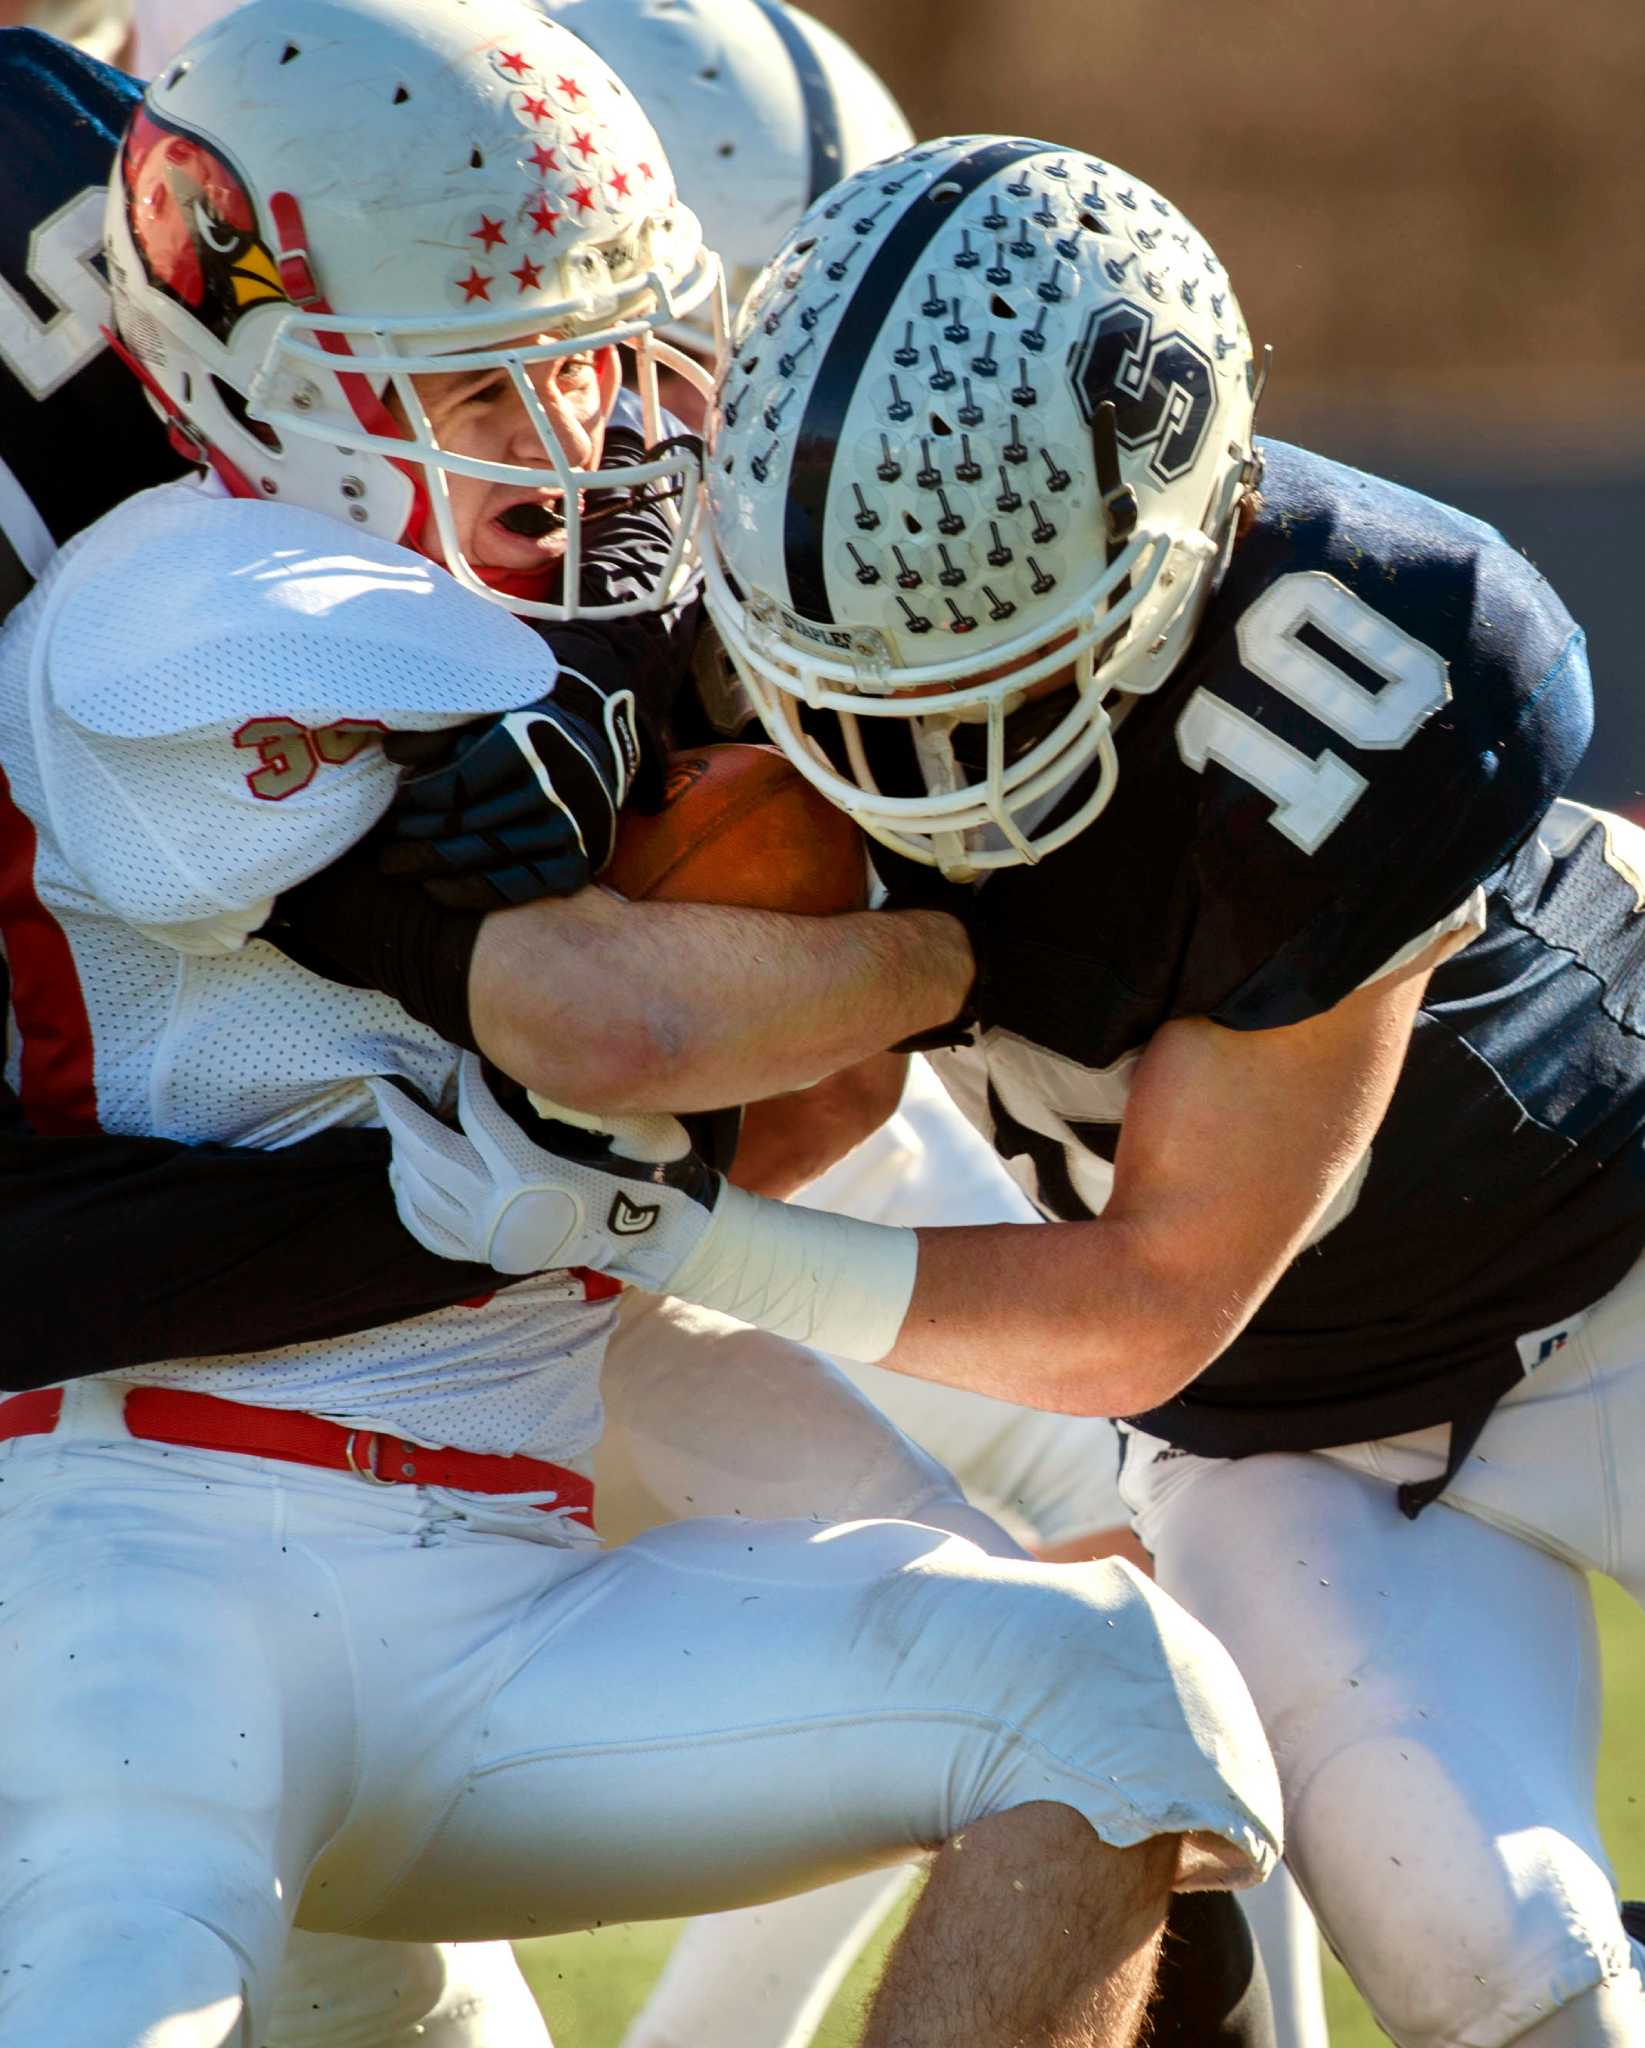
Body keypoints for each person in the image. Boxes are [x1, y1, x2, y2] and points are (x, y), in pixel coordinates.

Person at [0, 19, 1283, 2048]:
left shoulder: (548, 602)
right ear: (265, 382)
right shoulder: (178, 599)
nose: (577, 428)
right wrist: (970, 941)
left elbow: (748, 1099)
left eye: (598, 355)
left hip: (506, 1537)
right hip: (153, 1563)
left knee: (1121, 1693)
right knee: (114, 2001)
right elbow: (590, 1019)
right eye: (488, 374)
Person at [376, 132, 1645, 2048]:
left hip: (1611, 1241)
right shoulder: (706, 596)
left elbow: (1149, 1300)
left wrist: (686, 1232)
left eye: (984, 676)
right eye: (836, 682)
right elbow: (808, 1110)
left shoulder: (1359, 668)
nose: (901, 755)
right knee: (1511, 1981)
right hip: (1295, 1441)